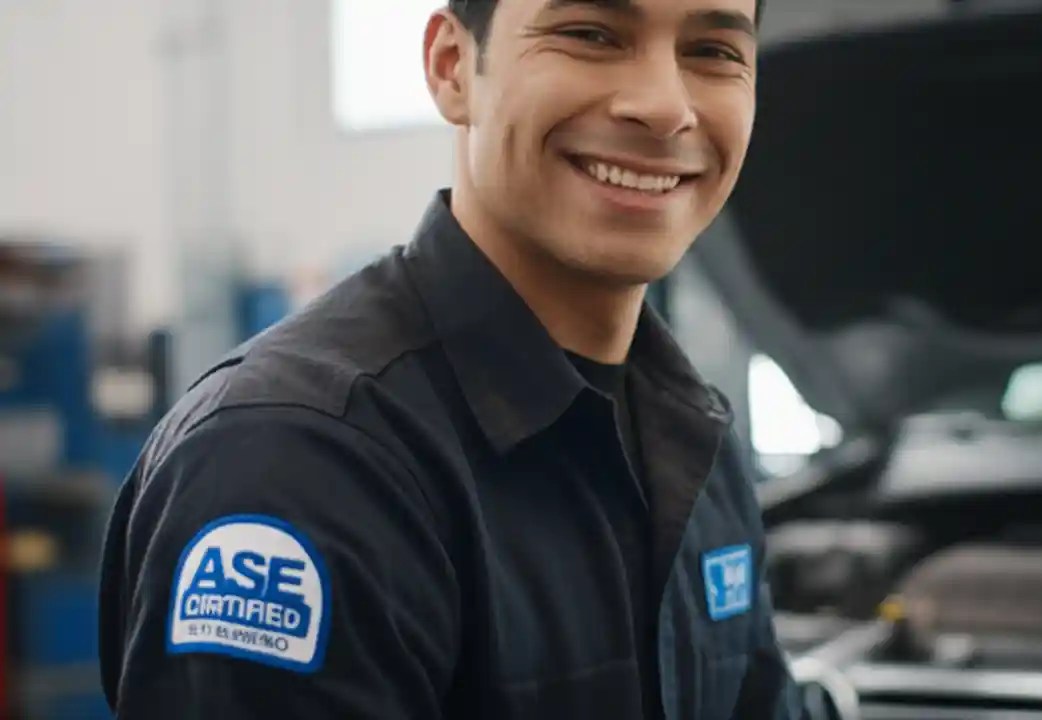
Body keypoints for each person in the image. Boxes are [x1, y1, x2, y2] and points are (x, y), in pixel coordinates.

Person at [98, 0, 799, 716]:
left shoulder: (691, 434)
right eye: (590, 34)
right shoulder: (296, 465)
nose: (662, 106)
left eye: (713, 53)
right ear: (452, 67)